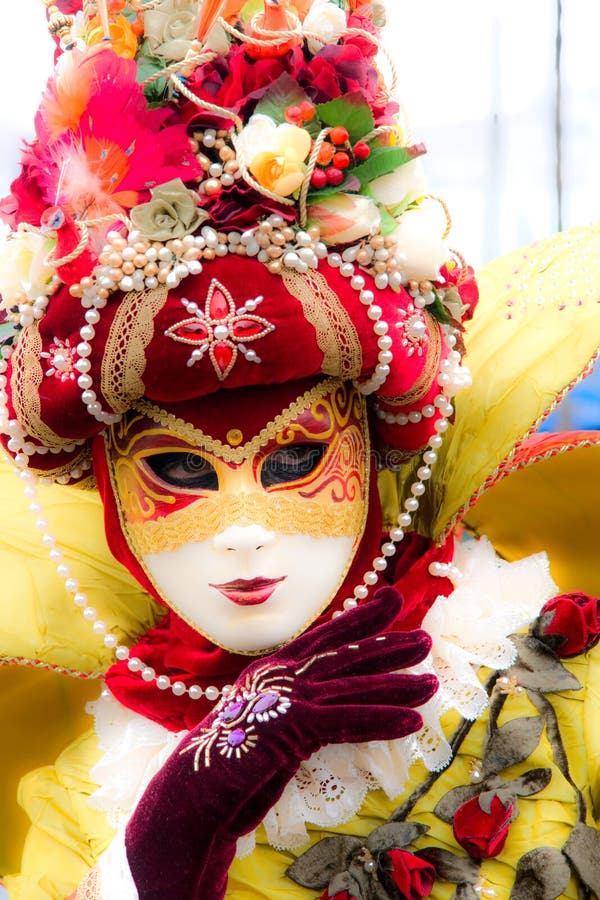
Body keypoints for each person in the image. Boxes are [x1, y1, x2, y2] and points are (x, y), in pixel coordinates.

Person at [0, 2, 599, 898]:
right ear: (108, 492)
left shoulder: (550, 665)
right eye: (178, 469)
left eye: (292, 461)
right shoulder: (91, 799)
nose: (244, 532)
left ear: (376, 443)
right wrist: (167, 843)